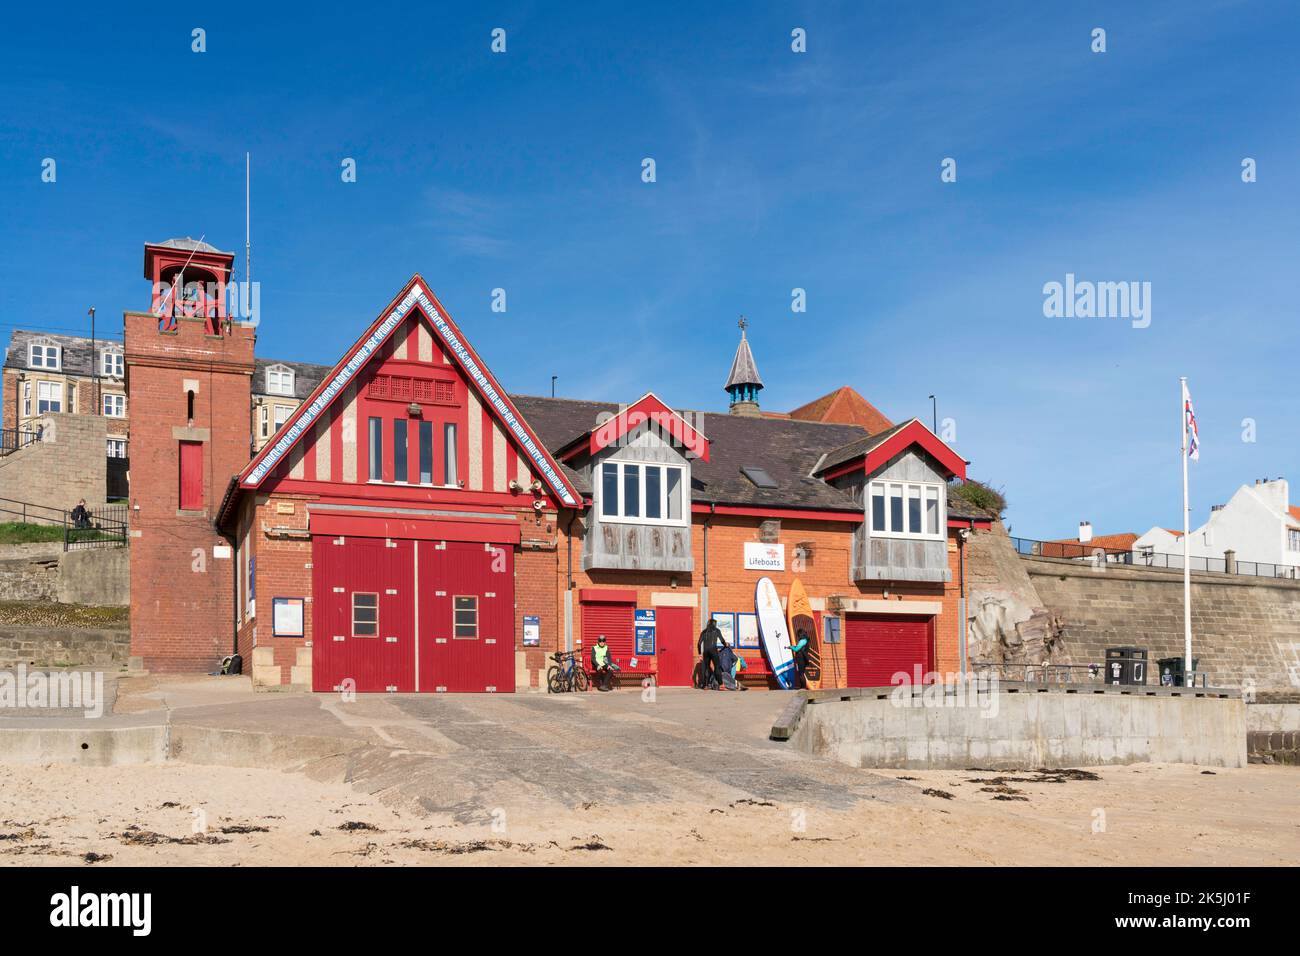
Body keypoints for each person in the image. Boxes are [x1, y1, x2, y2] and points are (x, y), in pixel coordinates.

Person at [697, 620, 724, 689]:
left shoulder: (704, 631)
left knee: (706, 667)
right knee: (717, 666)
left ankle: (706, 685)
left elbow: (699, 643)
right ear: (715, 624)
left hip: (705, 651)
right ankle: (721, 684)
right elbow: (722, 640)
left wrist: (700, 654)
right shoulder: (717, 630)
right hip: (713, 650)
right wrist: (725, 644)